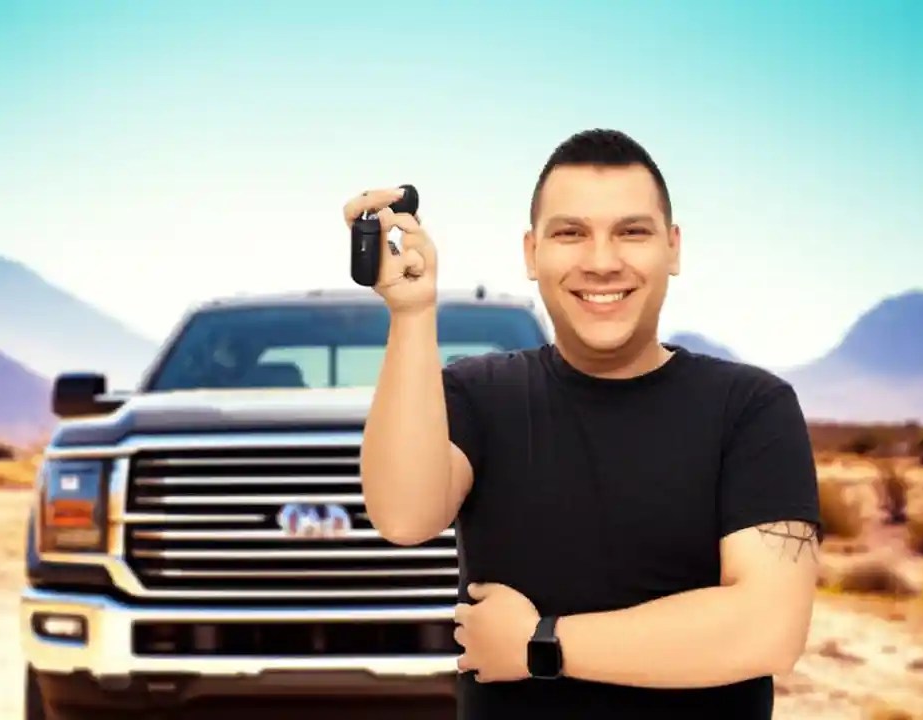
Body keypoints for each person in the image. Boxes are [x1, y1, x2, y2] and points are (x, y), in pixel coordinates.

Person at [348, 128, 822, 719]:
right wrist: (413, 314)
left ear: (673, 249)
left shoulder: (751, 407)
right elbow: (403, 515)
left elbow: (767, 630)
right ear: (531, 253)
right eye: (571, 233)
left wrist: (541, 643)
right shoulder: (477, 394)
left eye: (632, 232)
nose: (601, 262)